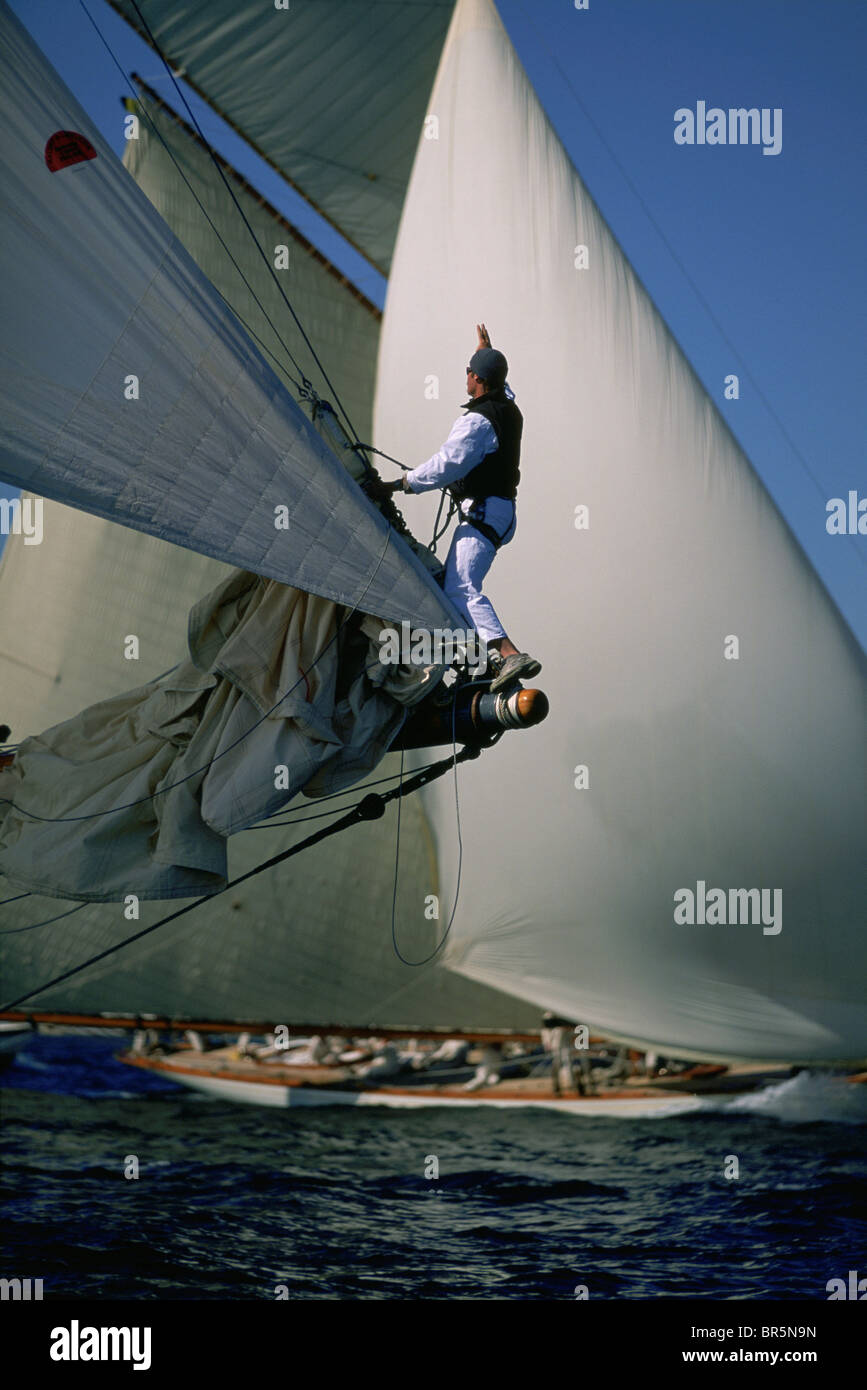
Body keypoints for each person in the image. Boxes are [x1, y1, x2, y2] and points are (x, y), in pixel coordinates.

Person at [369, 325, 541, 693]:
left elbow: (447, 464)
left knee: (461, 586)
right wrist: (487, 351)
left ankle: (510, 654)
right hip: (499, 512)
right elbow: (503, 388)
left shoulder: (478, 422)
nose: (465, 375)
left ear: (476, 378)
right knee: (452, 587)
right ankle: (480, 662)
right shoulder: (508, 408)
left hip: (483, 513)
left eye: (469, 370)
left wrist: (400, 485)